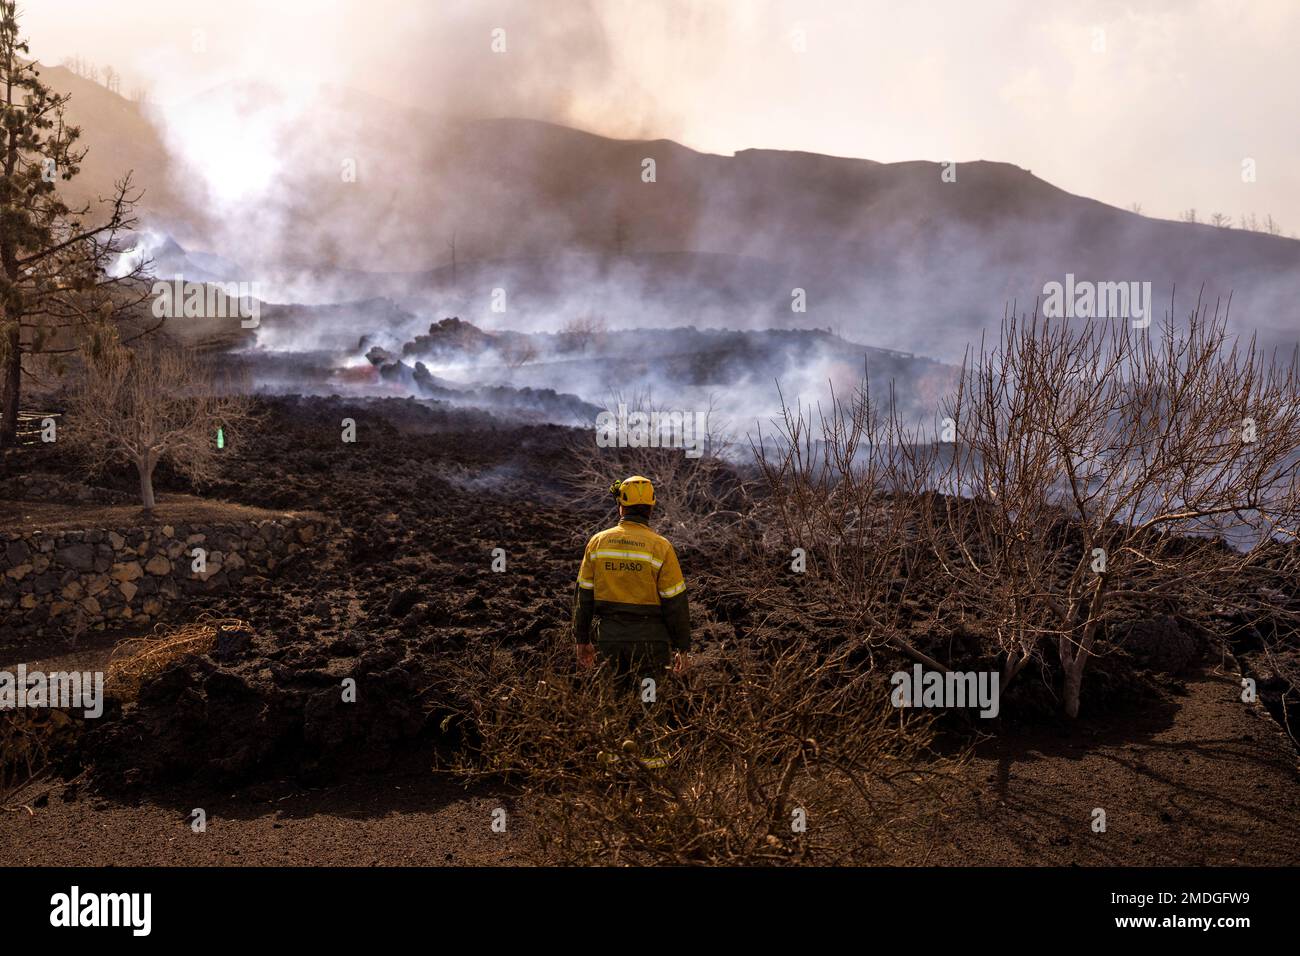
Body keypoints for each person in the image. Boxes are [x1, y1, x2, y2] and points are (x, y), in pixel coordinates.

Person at [572, 475, 691, 692]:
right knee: (650, 707)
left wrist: (582, 639)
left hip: (609, 641)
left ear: (621, 507)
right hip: (651, 644)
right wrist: (682, 647)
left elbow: (584, 596)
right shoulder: (661, 547)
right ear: (651, 508)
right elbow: (675, 603)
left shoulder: (597, 543)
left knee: (612, 707)